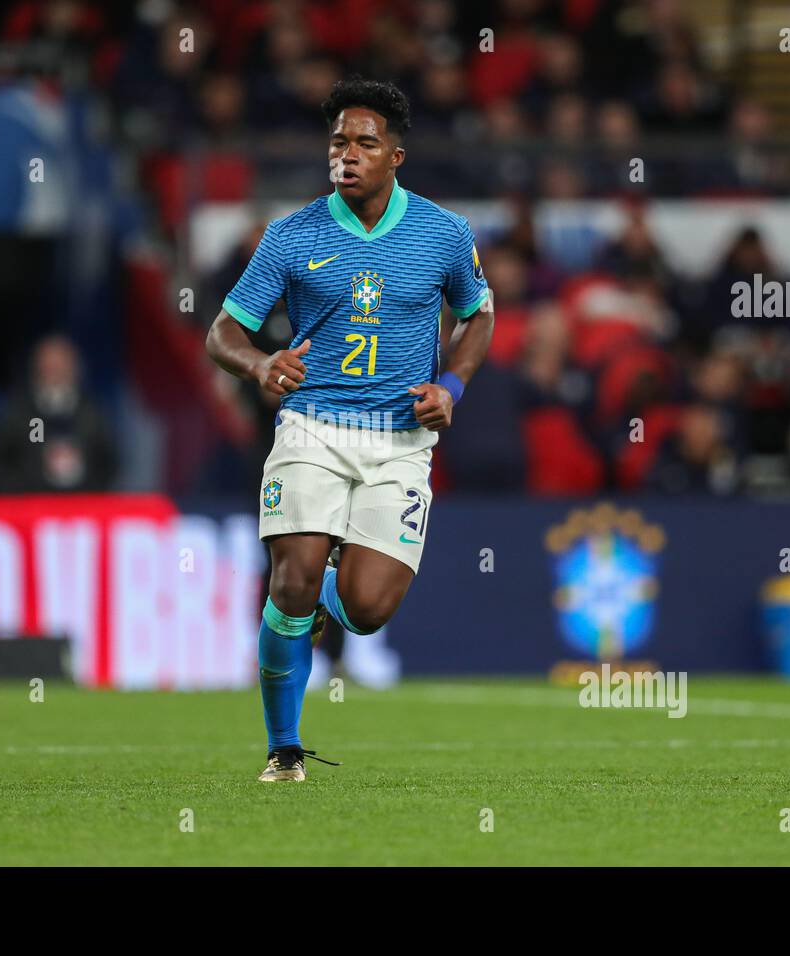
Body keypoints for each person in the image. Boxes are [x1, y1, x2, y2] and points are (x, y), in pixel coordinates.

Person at [205, 76, 493, 782]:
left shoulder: (444, 234)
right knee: (291, 582)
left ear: (395, 155)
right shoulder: (291, 235)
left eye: (365, 143)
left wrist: (450, 385)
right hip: (313, 428)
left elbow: (479, 315)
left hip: (399, 440)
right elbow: (222, 330)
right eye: (339, 141)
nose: (348, 154)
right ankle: (284, 749)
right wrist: (258, 364)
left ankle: (339, 581)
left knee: (365, 610)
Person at [0, 335, 118, 493]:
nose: (55, 373)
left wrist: (92, 492)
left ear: (74, 368)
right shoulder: (19, 412)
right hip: (30, 507)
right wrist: (18, 493)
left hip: (82, 507)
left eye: (60, 366)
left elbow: (109, 461)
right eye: (49, 367)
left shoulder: (91, 412)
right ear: (37, 368)